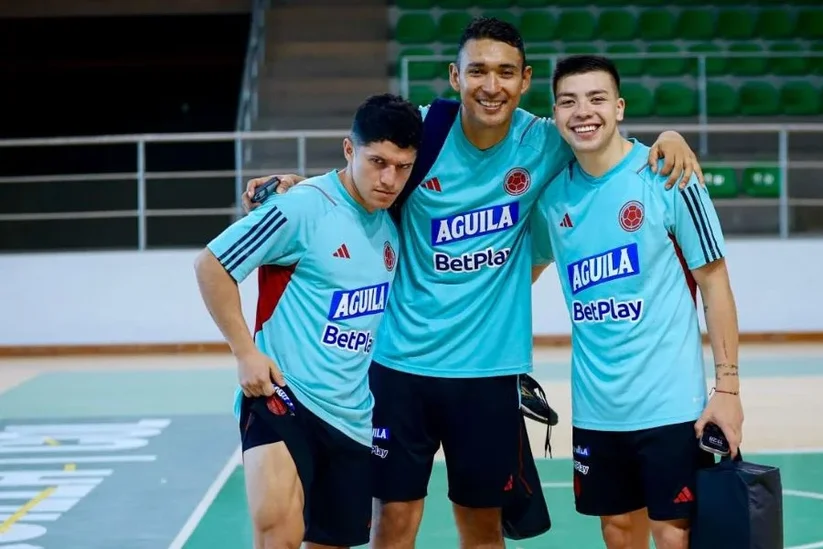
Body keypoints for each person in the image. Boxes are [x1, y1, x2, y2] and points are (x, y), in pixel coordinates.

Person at [243, 17, 705, 549]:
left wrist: (665, 138)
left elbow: (603, 138)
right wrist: (296, 186)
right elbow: (362, 178)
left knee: (483, 528)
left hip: (488, 375)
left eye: (506, 72)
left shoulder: (544, 141)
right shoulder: (421, 132)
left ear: (525, 79)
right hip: (400, 370)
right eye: (478, 70)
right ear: (455, 76)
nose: (492, 84)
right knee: (392, 523)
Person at [529, 54, 744, 549]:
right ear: (556, 115)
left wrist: (728, 391)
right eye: (569, 102)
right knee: (619, 532)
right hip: (596, 409)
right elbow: (520, 276)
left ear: (620, 107)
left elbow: (715, 284)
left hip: (673, 406)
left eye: (597, 98)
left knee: (672, 537)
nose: (584, 111)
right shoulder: (552, 200)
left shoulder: (668, 176)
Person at [194, 93, 423, 549]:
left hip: (353, 415)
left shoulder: (391, 221)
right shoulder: (301, 208)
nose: (389, 178)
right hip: (283, 396)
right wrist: (245, 353)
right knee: (277, 532)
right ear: (348, 150)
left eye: (402, 166)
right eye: (377, 161)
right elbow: (212, 265)